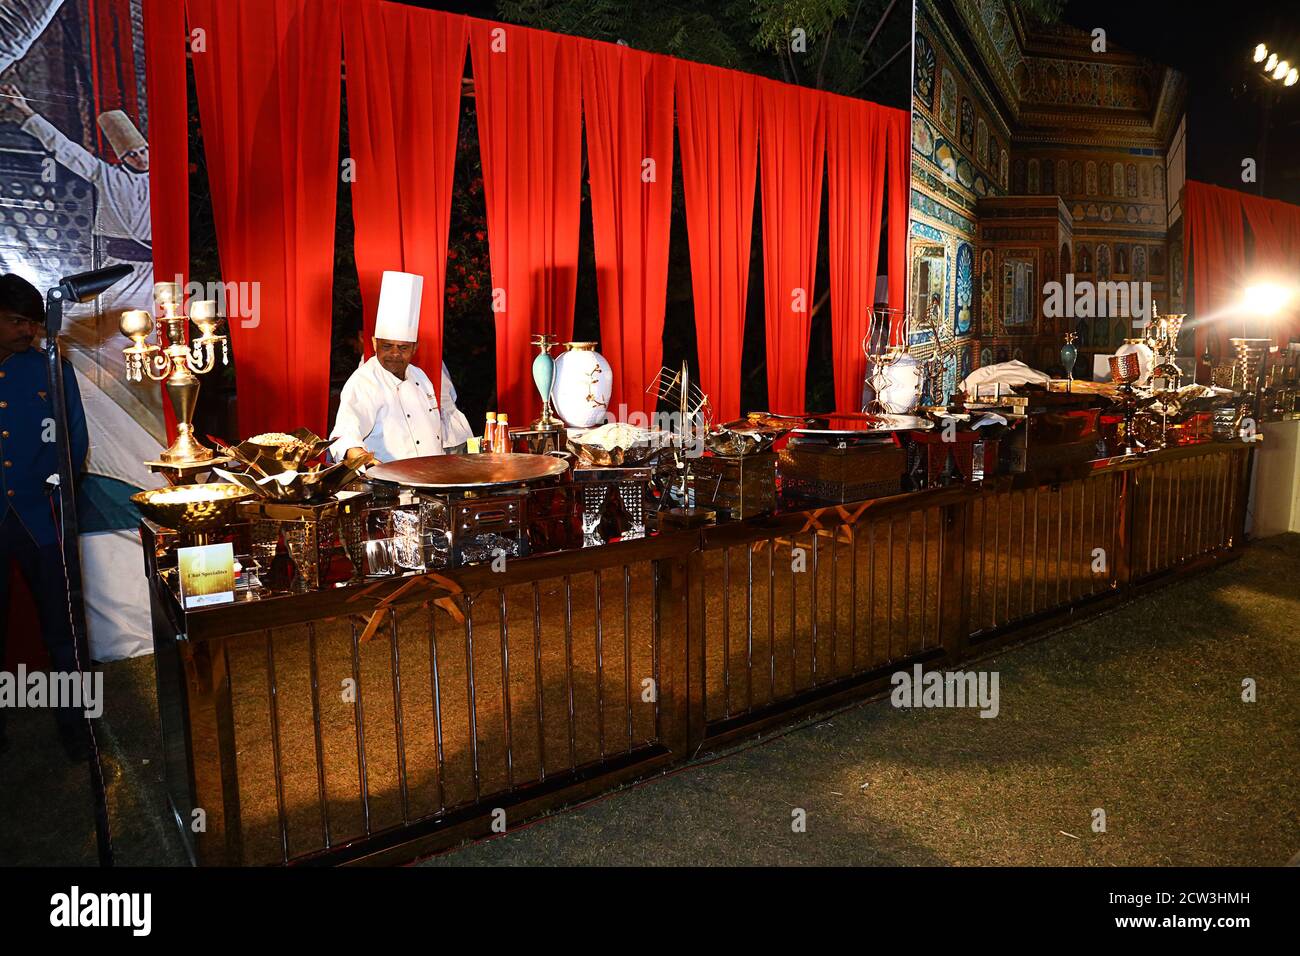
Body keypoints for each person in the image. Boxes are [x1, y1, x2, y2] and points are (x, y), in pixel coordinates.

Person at [0, 273, 89, 760]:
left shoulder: (51, 369)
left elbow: (73, 441)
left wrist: (59, 497)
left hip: (41, 517)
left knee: (64, 628)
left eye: (34, 324)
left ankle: (76, 727)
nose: (29, 332)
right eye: (17, 322)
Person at [1, 85, 152, 319]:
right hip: (119, 269)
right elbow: (66, 150)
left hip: (155, 271)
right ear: (122, 157)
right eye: (133, 154)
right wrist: (26, 110)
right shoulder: (108, 176)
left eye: (144, 151)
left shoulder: (164, 181)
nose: (141, 158)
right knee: (90, 326)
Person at [329, 271, 473, 464]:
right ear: (374, 343)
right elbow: (345, 434)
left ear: (415, 348)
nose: (395, 354)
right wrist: (363, 458)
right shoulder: (364, 381)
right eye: (387, 346)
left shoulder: (420, 377)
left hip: (432, 480)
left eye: (403, 348)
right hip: (390, 485)